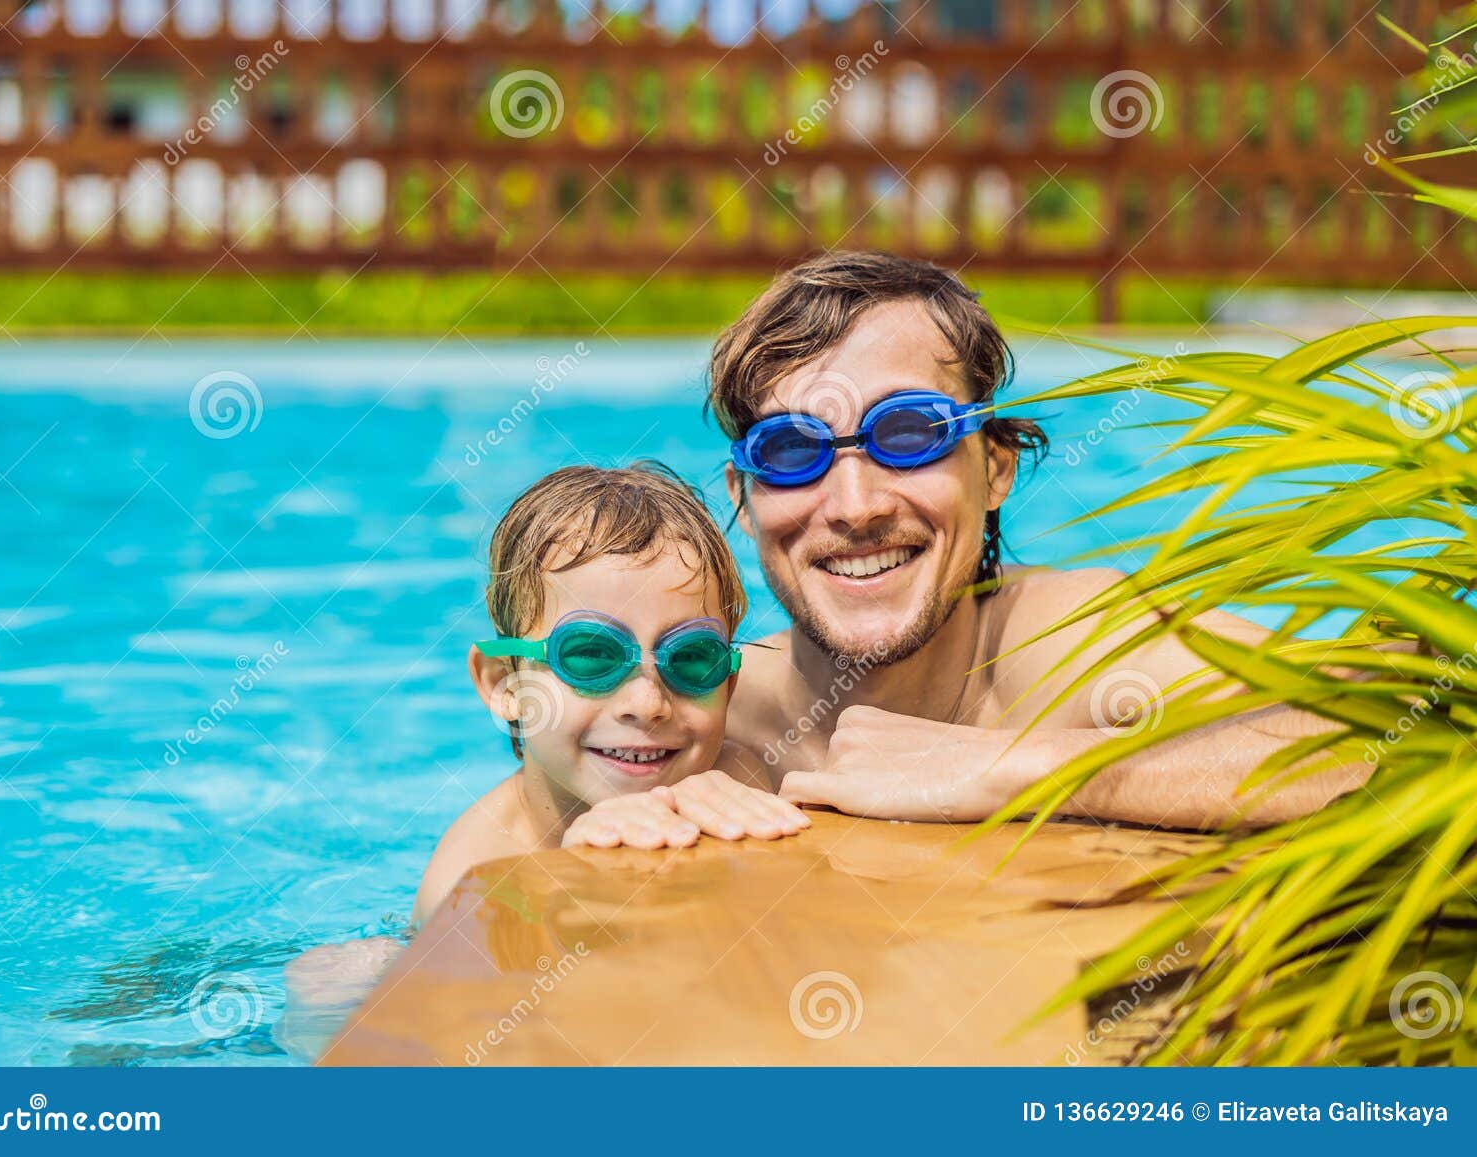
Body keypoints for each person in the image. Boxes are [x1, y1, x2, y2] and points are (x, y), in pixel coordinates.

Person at [711, 251, 1368, 830]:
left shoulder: (1069, 646)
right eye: (792, 449)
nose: (856, 507)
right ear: (743, 498)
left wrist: (1014, 765)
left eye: (910, 433)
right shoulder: (705, 707)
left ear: (996, 469)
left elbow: (1393, 731)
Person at [280, 463, 805, 1058]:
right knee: (331, 988)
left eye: (691, 660)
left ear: (729, 688)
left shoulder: (731, 774)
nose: (647, 703)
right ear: (506, 683)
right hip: (430, 975)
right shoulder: (478, 872)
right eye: (591, 656)